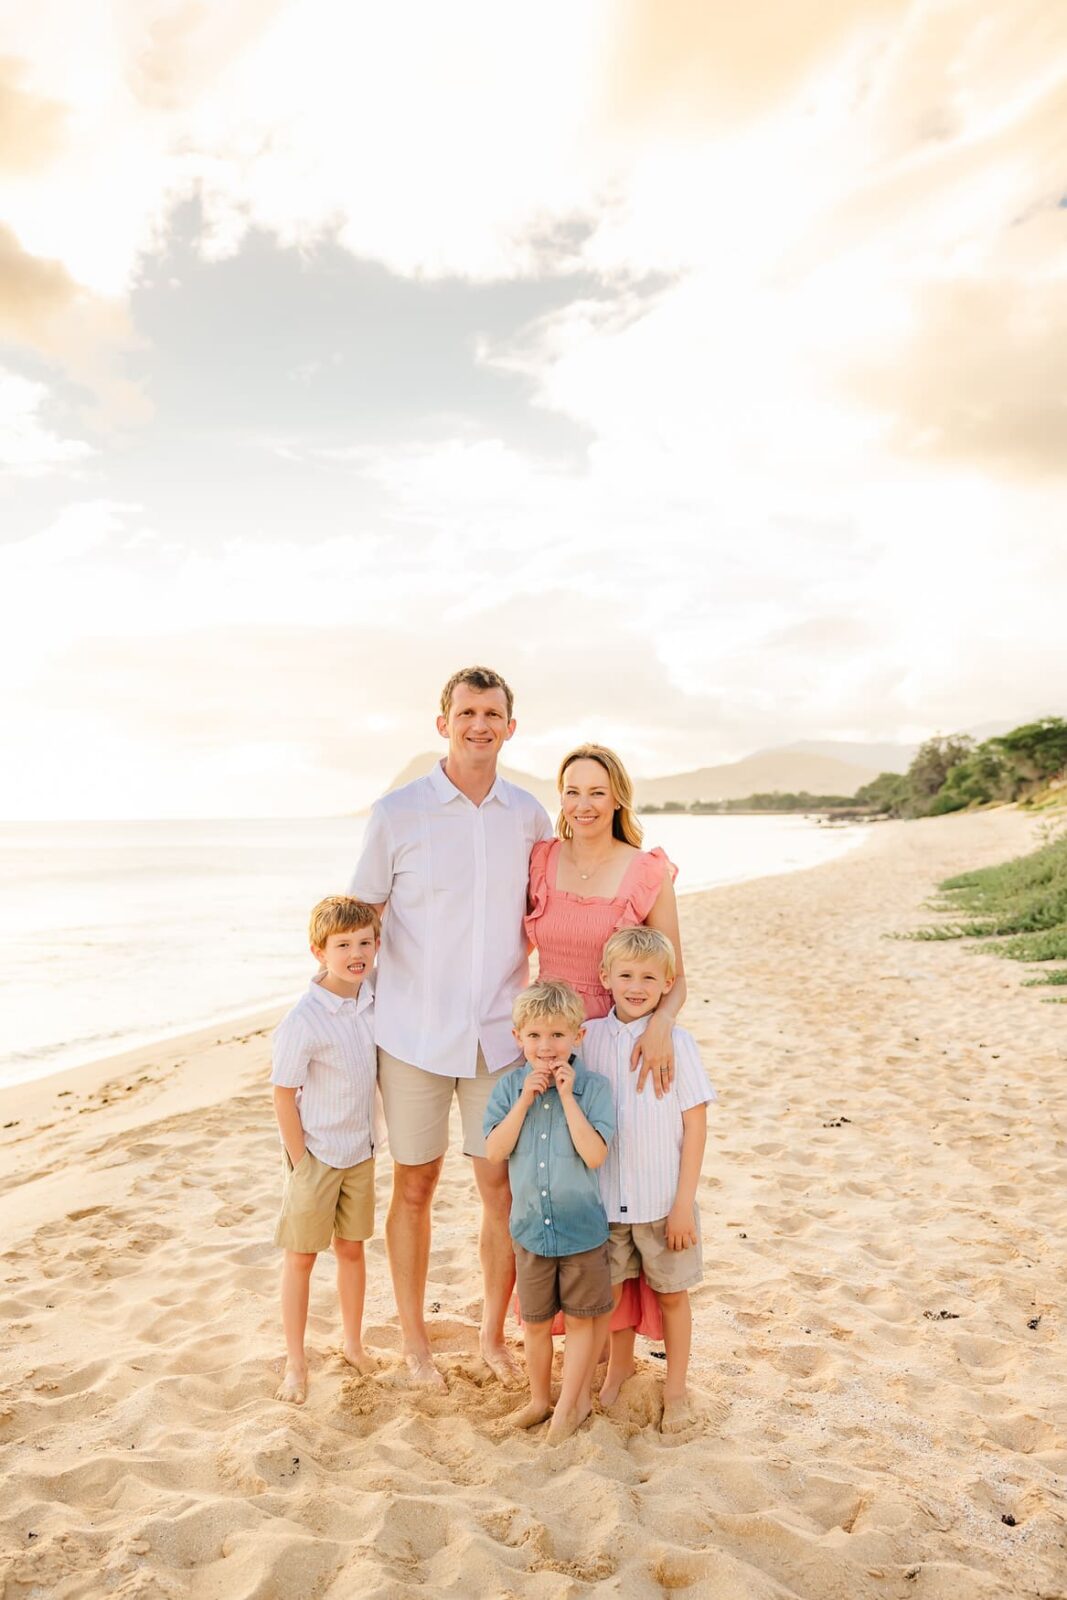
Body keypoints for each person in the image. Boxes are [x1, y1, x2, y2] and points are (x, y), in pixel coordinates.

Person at [350, 666, 554, 1387]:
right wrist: (332, 1015)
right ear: (443, 723)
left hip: (500, 1034)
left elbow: (552, 909)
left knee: (499, 1189)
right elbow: (361, 918)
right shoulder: (397, 813)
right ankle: (414, 1344)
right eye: (466, 713)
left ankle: (493, 1337)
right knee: (415, 1183)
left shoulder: (529, 816)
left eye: (491, 714)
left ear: (510, 727)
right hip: (411, 1034)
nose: (478, 725)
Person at [524, 742, 687, 1336]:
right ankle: (563, 1337)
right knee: (554, 1192)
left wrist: (661, 1025)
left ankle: (610, 1349)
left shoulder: (647, 871)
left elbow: (674, 974)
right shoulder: (540, 858)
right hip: (550, 1048)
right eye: (572, 791)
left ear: (618, 797)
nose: (584, 804)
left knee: (615, 1198)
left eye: (597, 791)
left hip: (617, 1051)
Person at [582, 926, 714, 1432]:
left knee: (672, 1294)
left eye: (648, 978)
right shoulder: (589, 1038)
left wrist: (683, 1205)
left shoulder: (678, 1042)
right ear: (605, 977)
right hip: (606, 1201)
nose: (636, 986)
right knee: (613, 1294)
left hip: (663, 1202)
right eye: (626, 975)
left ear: (667, 984)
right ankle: (619, 1368)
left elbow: (695, 1125)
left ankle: (676, 1387)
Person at [484, 980, 615, 1442]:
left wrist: (566, 1097)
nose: (546, 1046)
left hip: (582, 1231)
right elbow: (495, 1151)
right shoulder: (507, 1088)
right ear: (517, 1037)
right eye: (535, 1035)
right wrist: (525, 1099)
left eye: (558, 1035)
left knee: (580, 1320)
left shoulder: (594, 1089)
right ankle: (540, 1400)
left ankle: (570, 1404)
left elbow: (594, 1155)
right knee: (536, 1324)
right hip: (530, 1232)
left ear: (578, 1037)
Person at [270, 895, 382, 1405]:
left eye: (364, 943)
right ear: (319, 952)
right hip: (315, 1155)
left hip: (360, 1151)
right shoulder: (305, 1019)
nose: (356, 953)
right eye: (343, 945)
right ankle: (296, 1362)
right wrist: (300, 1162)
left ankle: (353, 1343)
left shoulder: (371, 999)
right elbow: (282, 1094)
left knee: (352, 1250)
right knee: (301, 1258)